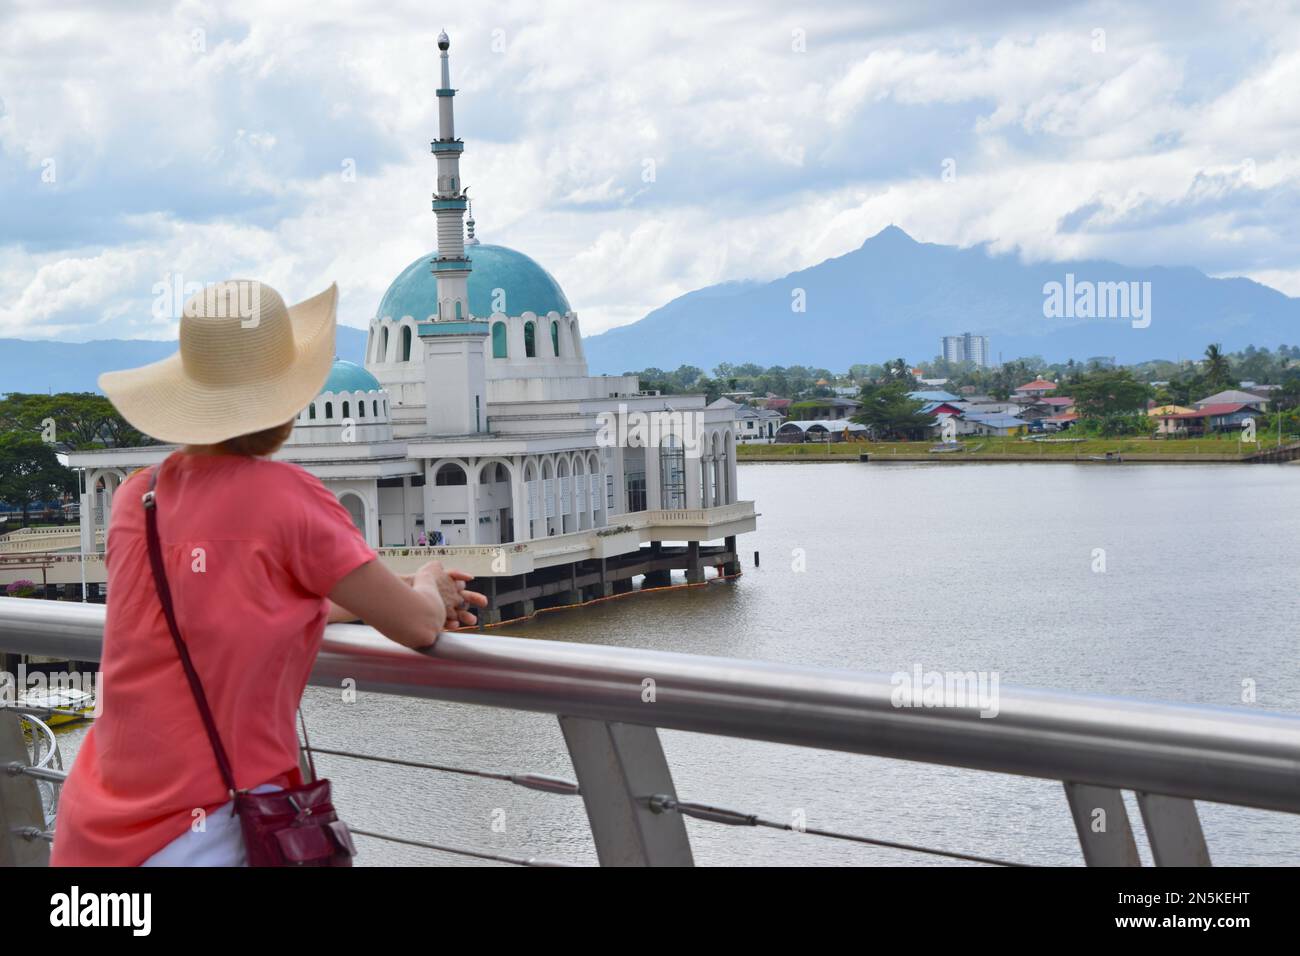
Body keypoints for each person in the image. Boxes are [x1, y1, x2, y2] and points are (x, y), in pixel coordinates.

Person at [50, 280, 487, 866]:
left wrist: (379, 598)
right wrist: (429, 584)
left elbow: (234, 604)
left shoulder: (139, 497)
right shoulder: (287, 496)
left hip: (93, 831)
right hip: (203, 836)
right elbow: (416, 628)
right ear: (289, 397)